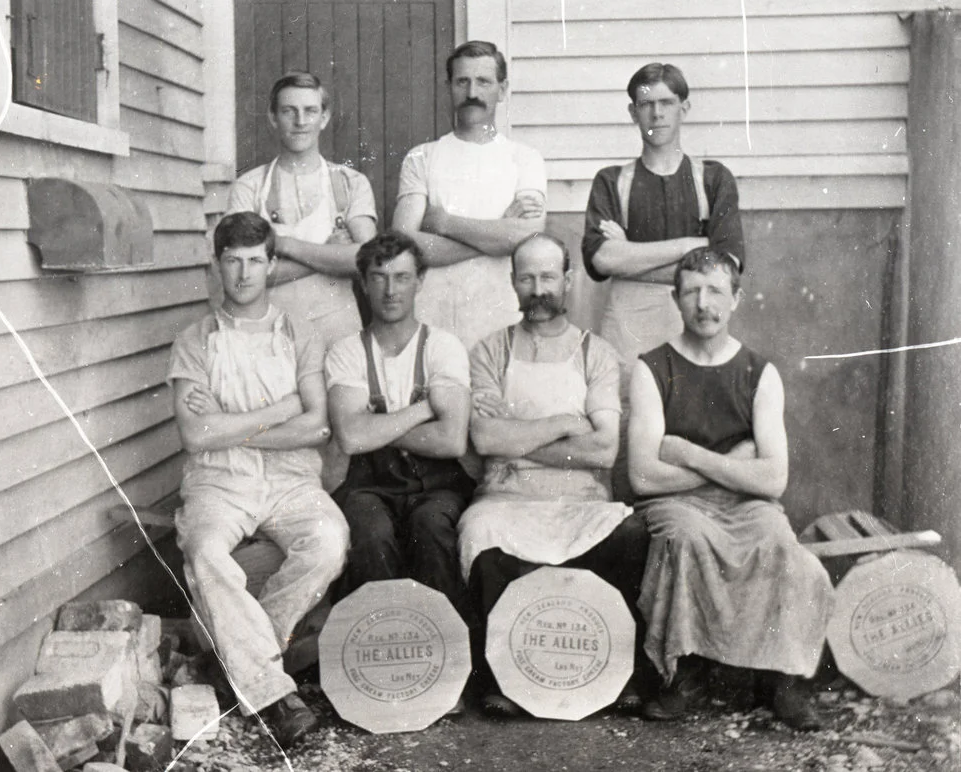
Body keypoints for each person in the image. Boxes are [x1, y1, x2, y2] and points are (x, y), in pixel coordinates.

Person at [626, 246, 833, 730]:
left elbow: (773, 478)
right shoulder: (651, 368)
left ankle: (781, 679)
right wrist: (735, 461)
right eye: (692, 292)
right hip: (675, 504)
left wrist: (691, 455)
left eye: (716, 291)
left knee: (786, 551)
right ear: (676, 299)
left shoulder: (760, 373)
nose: (704, 303)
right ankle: (684, 672)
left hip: (749, 506)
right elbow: (644, 476)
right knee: (688, 540)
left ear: (736, 299)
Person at [168, 212, 349, 745]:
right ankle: (274, 694)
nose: (244, 274)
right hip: (218, 480)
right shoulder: (195, 339)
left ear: (272, 265)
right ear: (217, 265)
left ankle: (238, 662)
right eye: (232, 261)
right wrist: (282, 407)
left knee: (329, 541)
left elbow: (316, 426)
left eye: (254, 261)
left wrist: (230, 424)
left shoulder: (300, 333)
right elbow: (196, 438)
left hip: (291, 480)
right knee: (204, 549)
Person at [458, 232, 651, 717]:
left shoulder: (597, 354)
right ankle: (503, 680)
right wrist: (567, 425)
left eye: (548, 276)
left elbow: (604, 450)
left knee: (629, 534)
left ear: (567, 280)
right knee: (481, 534)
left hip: (581, 501)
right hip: (506, 499)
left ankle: (616, 673)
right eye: (527, 277)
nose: (538, 288)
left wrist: (518, 441)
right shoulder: (489, 351)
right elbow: (484, 441)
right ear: (513, 283)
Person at [581, 63, 745, 501]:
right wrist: (694, 243)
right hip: (630, 325)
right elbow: (601, 258)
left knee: (693, 422)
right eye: (646, 104)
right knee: (627, 424)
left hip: (692, 317)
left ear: (684, 108)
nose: (656, 114)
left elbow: (725, 264)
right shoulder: (612, 181)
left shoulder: (712, 179)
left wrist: (631, 258)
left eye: (666, 103)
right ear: (632, 112)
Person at [325, 230, 474, 614]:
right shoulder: (347, 352)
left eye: (402, 277)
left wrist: (377, 426)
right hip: (368, 485)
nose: (390, 290)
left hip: (438, 484)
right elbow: (352, 438)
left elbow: (452, 440)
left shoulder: (443, 347)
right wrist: (423, 410)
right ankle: (380, 650)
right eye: (379, 277)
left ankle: (447, 652)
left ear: (420, 281)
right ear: (363, 283)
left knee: (432, 527)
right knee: (371, 534)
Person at [393, 40, 548, 348]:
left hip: (502, 317)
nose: (473, 93)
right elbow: (404, 244)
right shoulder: (422, 157)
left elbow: (528, 234)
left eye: (484, 82)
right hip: (432, 319)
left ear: (502, 89)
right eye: (462, 82)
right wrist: (497, 235)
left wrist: (445, 222)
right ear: (448, 86)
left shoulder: (525, 159)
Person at [227, 71, 378, 347]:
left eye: (310, 111)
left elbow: (368, 259)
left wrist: (283, 245)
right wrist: (331, 256)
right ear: (273, 118)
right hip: (268, 335)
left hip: (338, 334)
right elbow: (242, 272)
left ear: (324, 117)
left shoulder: (349, 183)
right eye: (289, 111)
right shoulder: (249, 188)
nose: (300, 121)